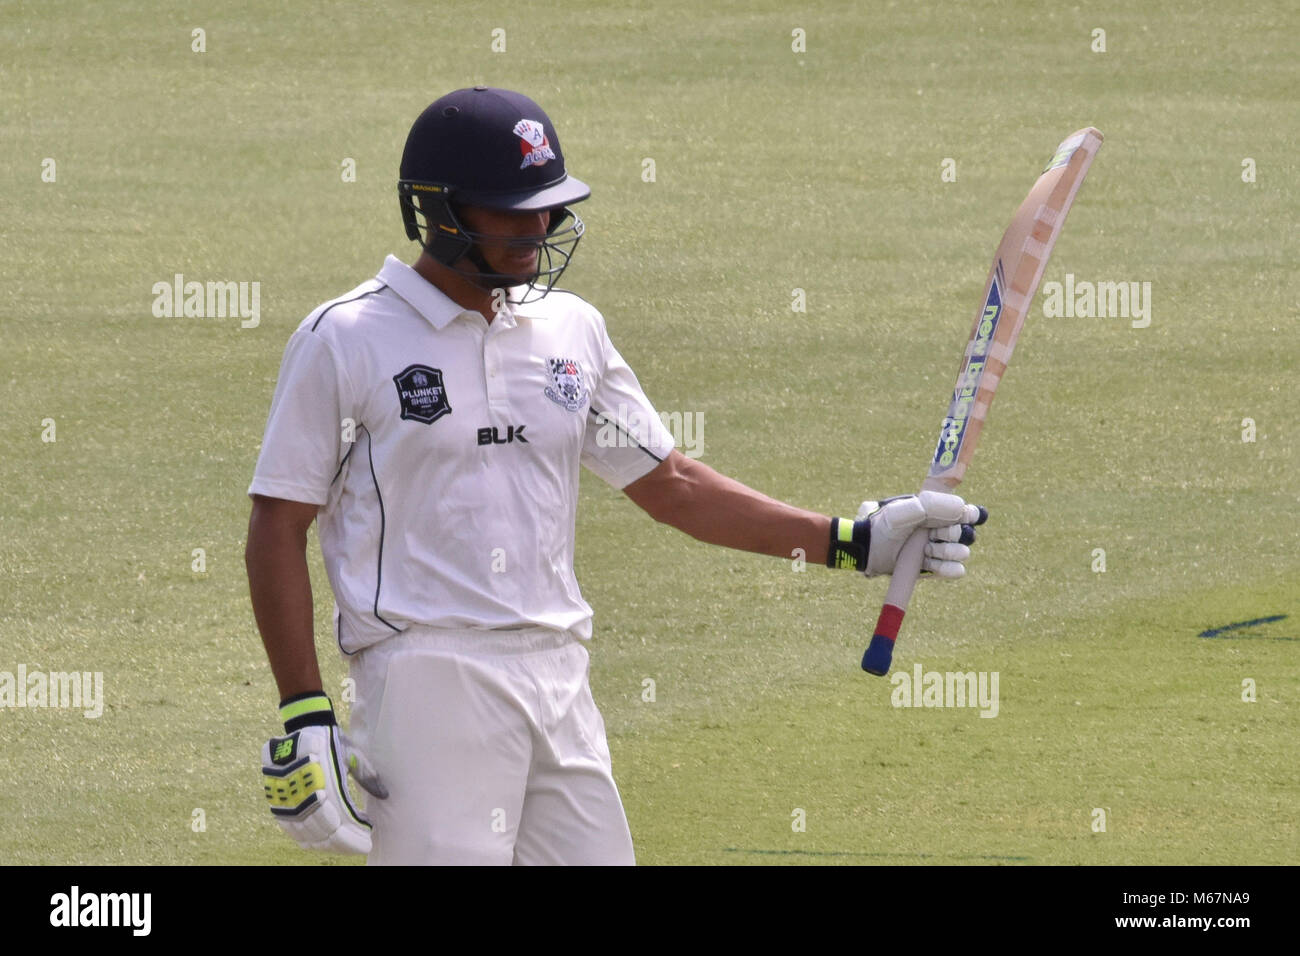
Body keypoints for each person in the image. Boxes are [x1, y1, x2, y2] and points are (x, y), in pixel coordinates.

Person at [245, 86, 986, 865]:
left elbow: (672, 484)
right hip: (427, 677)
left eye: (549, 207)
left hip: (558, 669)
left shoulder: (572, 329)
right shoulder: (346, 338)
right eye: (513, 209)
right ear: (440, 208)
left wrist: (851, 541)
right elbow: (277, 524)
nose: (538, 228)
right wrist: (306, 712)